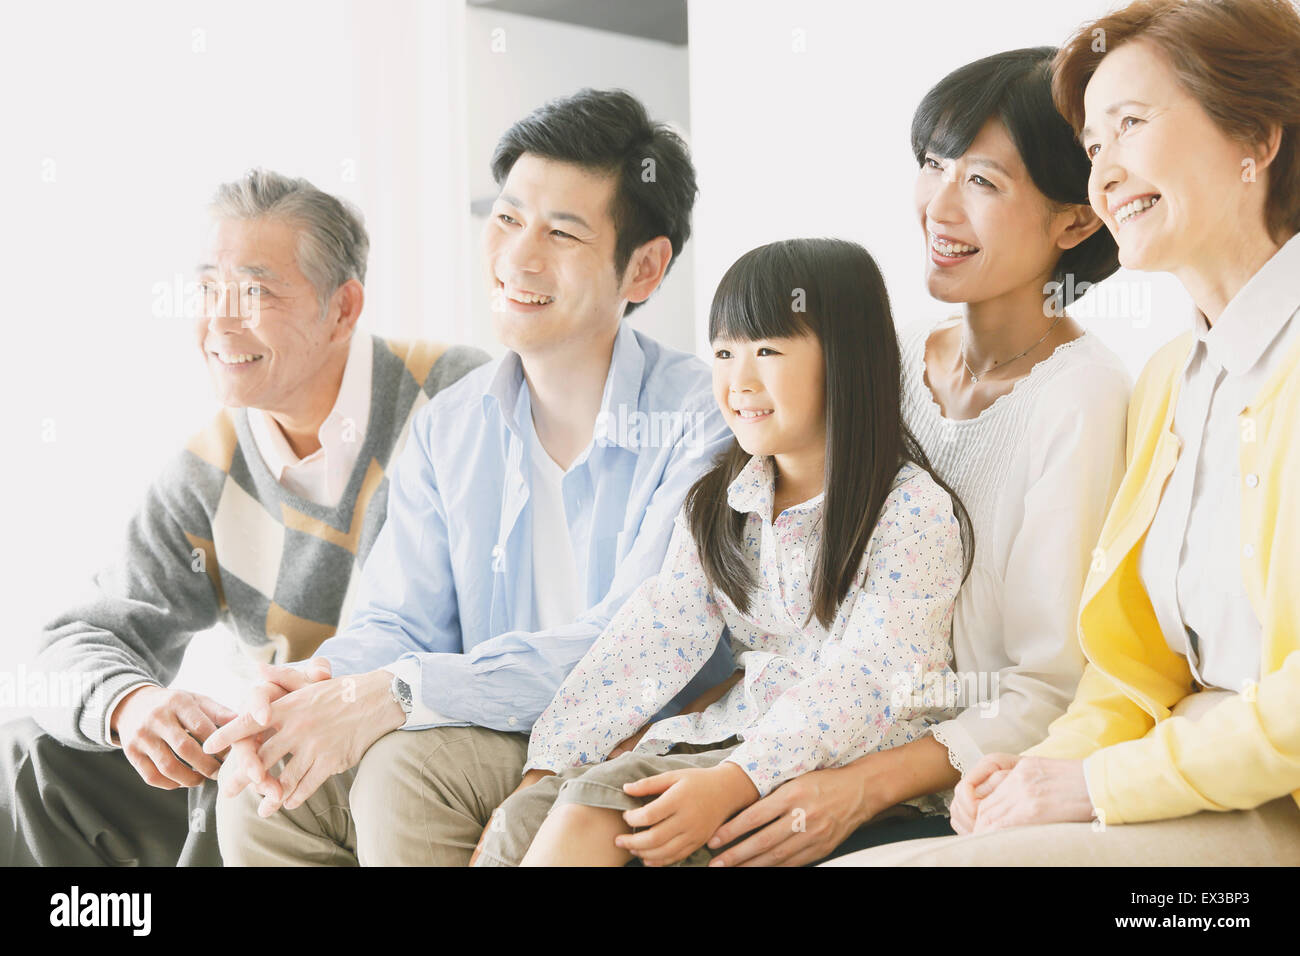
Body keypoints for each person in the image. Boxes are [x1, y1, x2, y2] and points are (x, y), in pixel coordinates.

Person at [210, 88, 736, 866]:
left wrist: (398, 693)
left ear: (645, 268)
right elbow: (399, 622)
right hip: (482, 720)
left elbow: (632, 652)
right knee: (261, 780)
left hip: (639, 732)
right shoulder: (451, 424)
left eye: (562, 233)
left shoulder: (708, 418)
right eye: (506, 218)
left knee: (405, 771)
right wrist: (314, 686)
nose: (519, 257)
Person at [830, 0, 1300, 867]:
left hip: (1271, 800)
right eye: (1093, 145)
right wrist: (1031, 771)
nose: (1106, 171)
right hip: (1174, 772)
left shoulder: (1121, 385)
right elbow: (1133, 672)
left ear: (1258, 138)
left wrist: (1094, 784)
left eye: (1131, 123)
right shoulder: (1174, 378)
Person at [697, 49, 1133, 867]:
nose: (939, 204)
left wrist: (861, 786)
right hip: (801, 732)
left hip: (939, 783)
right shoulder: (878, 362)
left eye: (984, 182)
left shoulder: (1083, 400)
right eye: (933, 164)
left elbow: (1046, 687)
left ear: (1076, 221)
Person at [0, 169, 487, 866]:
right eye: (207, 291)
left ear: (343, 308)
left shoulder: (452, 394)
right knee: (32, 757)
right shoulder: (205, 471)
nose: (220, 322)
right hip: (270, 762)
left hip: (410, 740)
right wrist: (133, 706)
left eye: (254, 293)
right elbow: (71, 642)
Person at [471, 237, 971, 867]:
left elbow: (872, 680)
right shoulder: (719, 503)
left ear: (846, 361)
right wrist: (552, 760)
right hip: (733, 739)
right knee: (528, 814)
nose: (740, 380)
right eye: (724, 352)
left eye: (767, 350)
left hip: (836, 762)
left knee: (597, 809)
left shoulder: (907, 511)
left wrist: (736, 779)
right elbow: (655, 634)